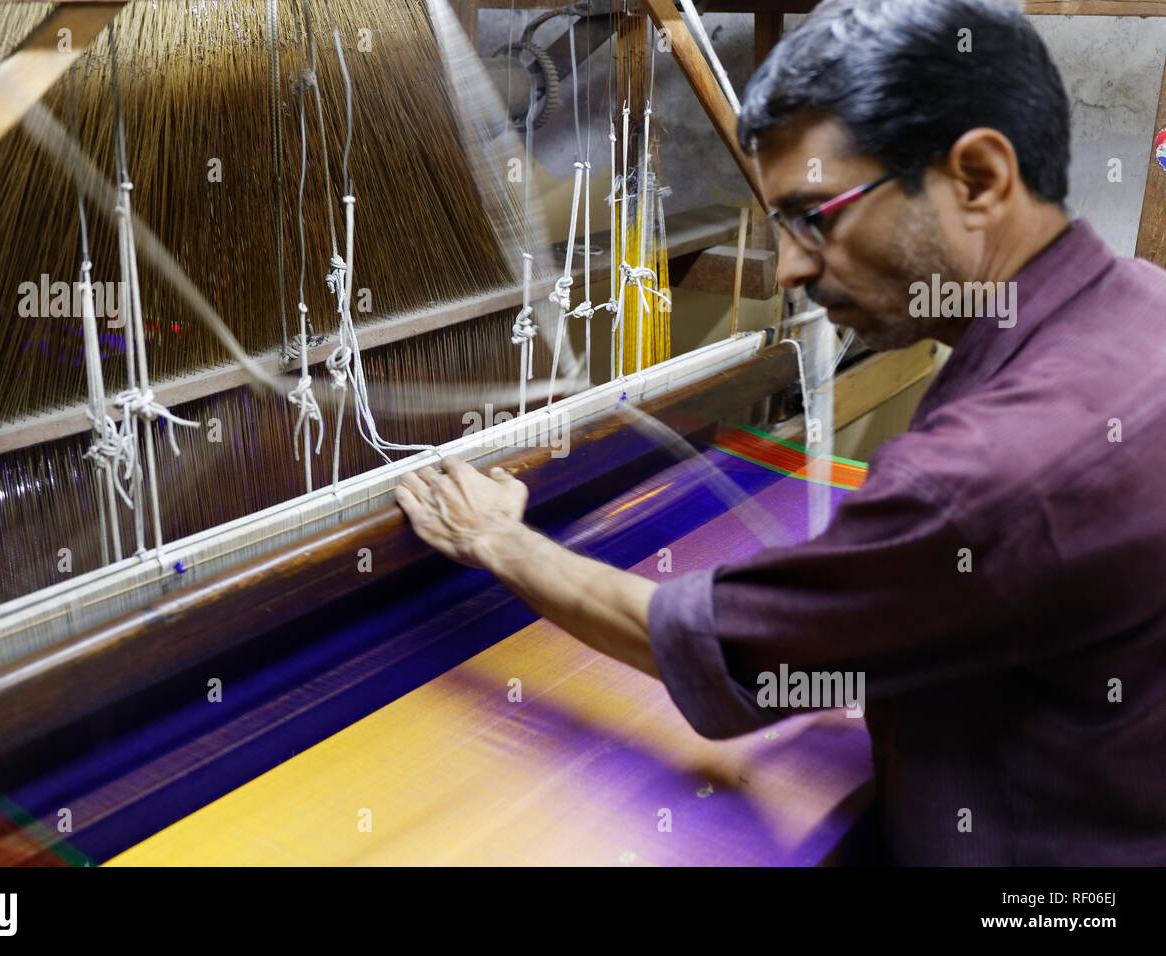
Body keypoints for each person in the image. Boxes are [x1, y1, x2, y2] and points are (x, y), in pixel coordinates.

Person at [394, 0, 1166, 865]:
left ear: (980, 179)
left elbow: (722, 648)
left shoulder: (991, 473)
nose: (792, 269)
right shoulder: (1142, 306)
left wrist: (502, 541)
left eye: (815, 216)